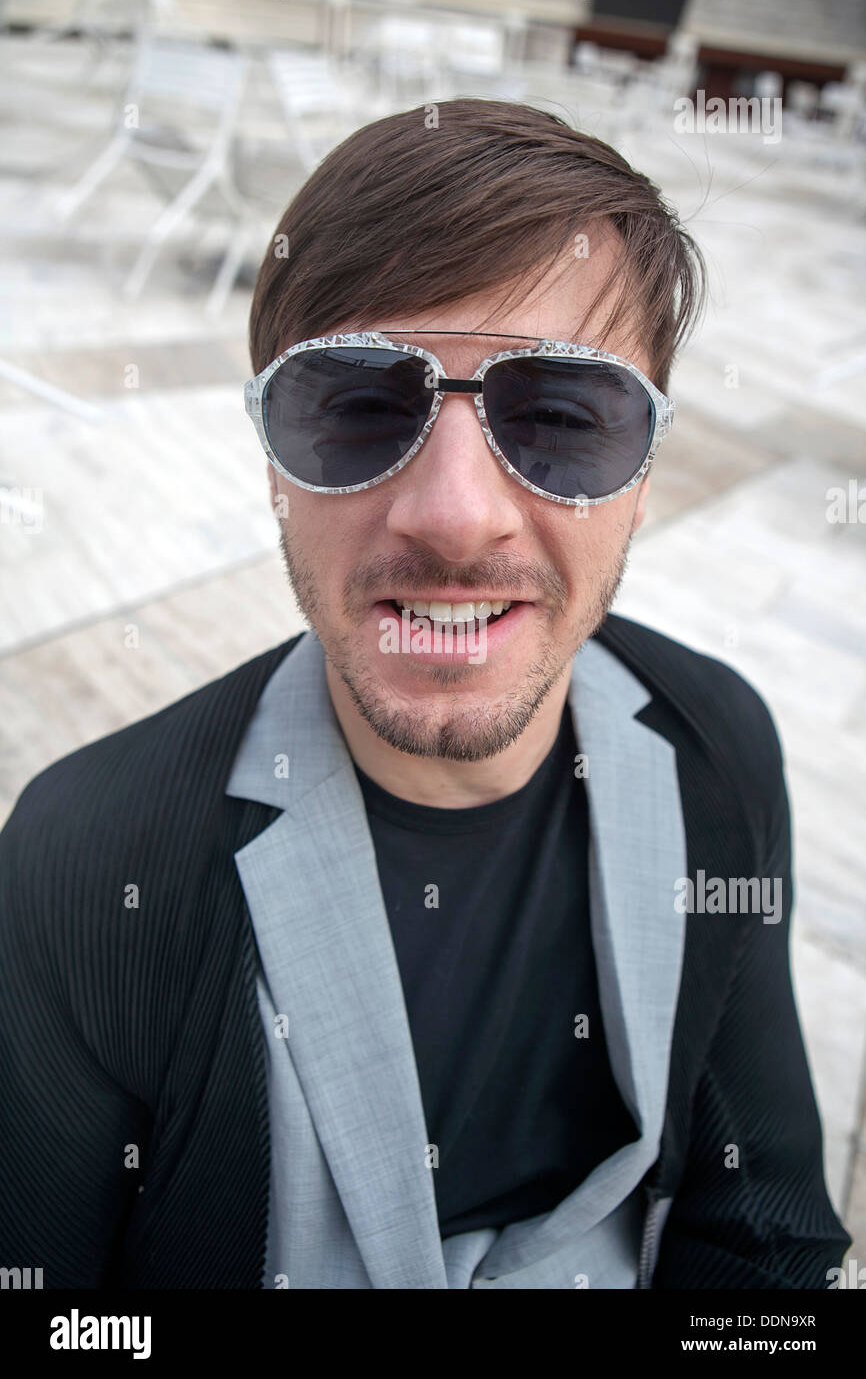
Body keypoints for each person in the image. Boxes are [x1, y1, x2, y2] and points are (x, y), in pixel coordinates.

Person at [0, 99, 850, 1289]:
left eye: (560, 416)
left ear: (644, 478)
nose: (453, 512)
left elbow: (760, 1229)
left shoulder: (717, 751)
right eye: (354, 408)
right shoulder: (84, 867)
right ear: (271, 473)